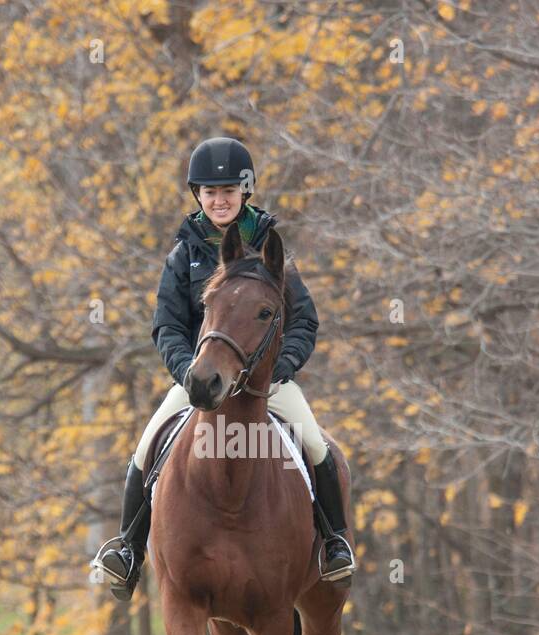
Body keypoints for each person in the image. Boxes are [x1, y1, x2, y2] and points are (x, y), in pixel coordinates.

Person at [91, 137, 355, 601]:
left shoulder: (274, 254)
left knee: (315, 443)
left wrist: (281, 369)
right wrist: (187, 372)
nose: (220, 200)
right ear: (198, 195)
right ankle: (128, 551)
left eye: (229, 191)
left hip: (263, 382)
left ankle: (334, 544)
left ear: (244, 193)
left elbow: (304, 321)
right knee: (145, 446)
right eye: (211, 192)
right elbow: (167, 326)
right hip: (202, 381)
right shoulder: (183, 253)